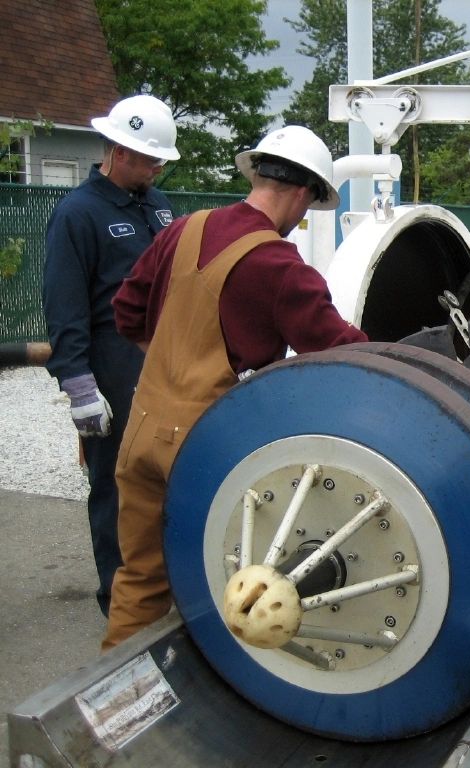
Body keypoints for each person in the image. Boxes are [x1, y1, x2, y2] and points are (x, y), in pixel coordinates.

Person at [102, 125, 369, 650]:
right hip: (206, 447)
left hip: (142, 432)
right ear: (301, 194)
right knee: (232, 586)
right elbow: (345, 352)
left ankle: (115, 708)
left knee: (139, 578)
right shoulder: (280, 266)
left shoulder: (182, 229)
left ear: (258, 174)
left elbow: (127, 313)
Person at [42, 95, 179, 617]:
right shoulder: (78, 214)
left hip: (164, 361)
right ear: (119, 151)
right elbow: (65, 306)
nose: (157, 167)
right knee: (118, 485)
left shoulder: (159, 205)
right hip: (113, 362)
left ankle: (166, 586)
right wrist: (79, 387)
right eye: (149, 159)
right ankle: (121, 600)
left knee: (169, 476)